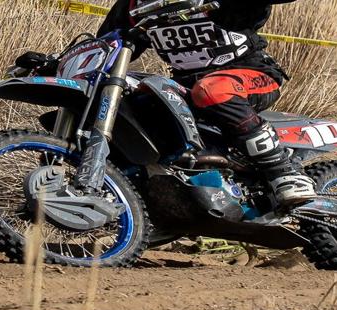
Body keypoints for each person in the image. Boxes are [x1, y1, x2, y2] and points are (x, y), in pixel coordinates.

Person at [97, 0, 317, 209]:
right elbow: (107, 43)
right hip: (188, 84)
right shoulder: (136, 4)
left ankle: (284, 171)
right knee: (135, 96)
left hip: (252, 73)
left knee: (211, 89)